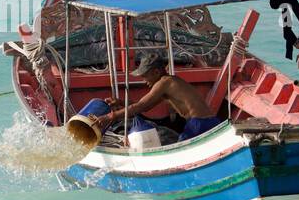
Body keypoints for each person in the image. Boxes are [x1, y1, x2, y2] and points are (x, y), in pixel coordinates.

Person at [94, 54, 222, 142]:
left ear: (156, 72)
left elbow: (140, 106)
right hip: (209, 121)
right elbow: (146, 106)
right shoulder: (170, 83)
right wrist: (121, 102)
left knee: (179, 152)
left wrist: (110, 116)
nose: (144, 81)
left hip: (198, 123)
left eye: (145, 76)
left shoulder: (165, 82)